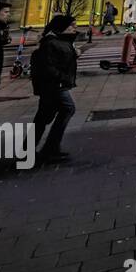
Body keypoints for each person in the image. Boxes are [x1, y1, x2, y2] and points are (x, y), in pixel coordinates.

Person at [30, 14, 83, 164]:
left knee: (43, 117)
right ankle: (50, 149)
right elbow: (48, 67)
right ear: (61, 27)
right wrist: (63, 78)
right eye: (72, 25)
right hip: (54, 85)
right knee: (67, 109)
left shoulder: (61, 41)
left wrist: (75, 54)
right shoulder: (51, 43)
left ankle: (32, 150)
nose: (75, 27)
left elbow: (61, 59)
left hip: (54, 85)